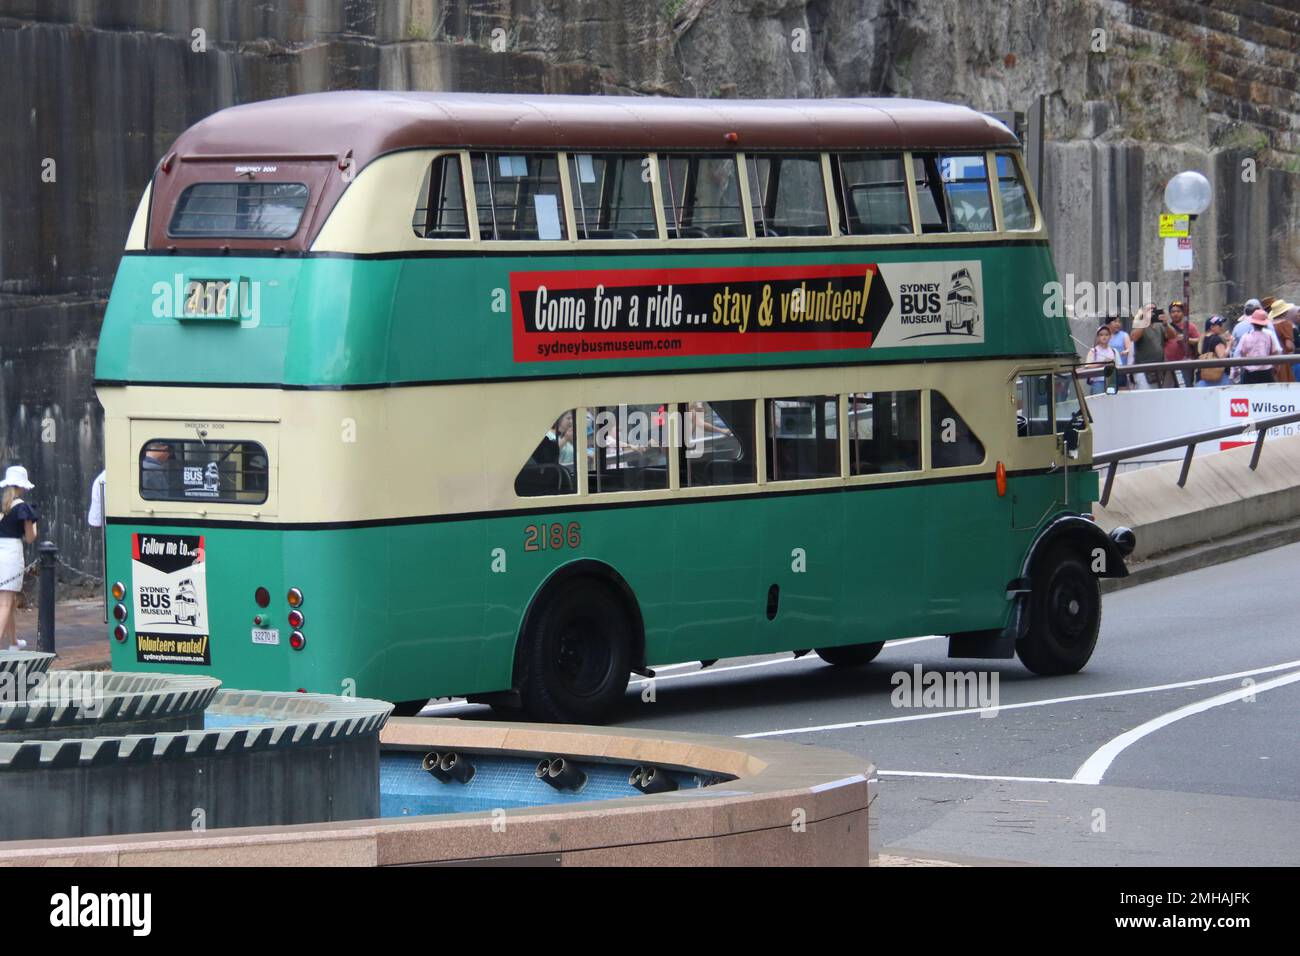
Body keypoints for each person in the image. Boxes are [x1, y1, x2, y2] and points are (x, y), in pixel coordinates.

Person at [0, 466, 40, 649]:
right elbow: (30, 538)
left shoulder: (3, 506)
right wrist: (34, 525)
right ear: (22, 486)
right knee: (6, 602)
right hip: (11, 554)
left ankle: (14, 642)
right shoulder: (23, 508)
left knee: (8, 601)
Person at [1130, 303, 1172, 387]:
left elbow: (1173, 336)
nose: (1152, 311)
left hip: (1159, 369)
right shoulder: (1139, 323)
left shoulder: (1160, 325)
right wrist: (1144, 321)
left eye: (1154, 309)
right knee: (1144, 395)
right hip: (1142, 370)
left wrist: (1166, 324)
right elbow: (1134, 337)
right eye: (1149, 309)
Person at [1238, 309, 1280, 384]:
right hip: (1266, 371)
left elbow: (1242, 352)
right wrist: (1276, 367)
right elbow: (1275, 352)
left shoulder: (1245, 337)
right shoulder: (1269, 336)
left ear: (1252, 323)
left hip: (1250, 372)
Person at [1164, 300, 1199, 385]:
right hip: (1168, 365)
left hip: (1185, 364)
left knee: (1185, 387)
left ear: (1183, 313)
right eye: (1173, 312)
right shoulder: (1165, 327)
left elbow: (1199, 340)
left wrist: (1186, 339)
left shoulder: (1190, 326)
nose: (1175, 314)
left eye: (1178, 311)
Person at [1082, 325, 1118, 395]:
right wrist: (1102, 363)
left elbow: (1119, 365)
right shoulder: (1093, 351)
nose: (1104, 337)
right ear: (1098, 337)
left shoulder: (1113, 351)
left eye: (1106, 335)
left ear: (1110, 336)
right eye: (1101, 335)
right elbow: (1087, 366)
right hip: (1097, 382)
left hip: (1111, 382)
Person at [1195, 316, 1230, 386]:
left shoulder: (1202, 339)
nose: (1222, 327)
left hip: (1202, 378)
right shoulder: (1216, 339)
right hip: (1219, 379)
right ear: (1212, 327)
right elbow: (1222, 357)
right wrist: (1229, 345)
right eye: (1219, 325)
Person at [1267, 299, 1295, 384]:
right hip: (1282, 358)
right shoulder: (1286, 324)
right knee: (1285, 384)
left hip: (1270, 358)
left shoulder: (1269, 324)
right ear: (1285, 312)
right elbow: (1289, 346)